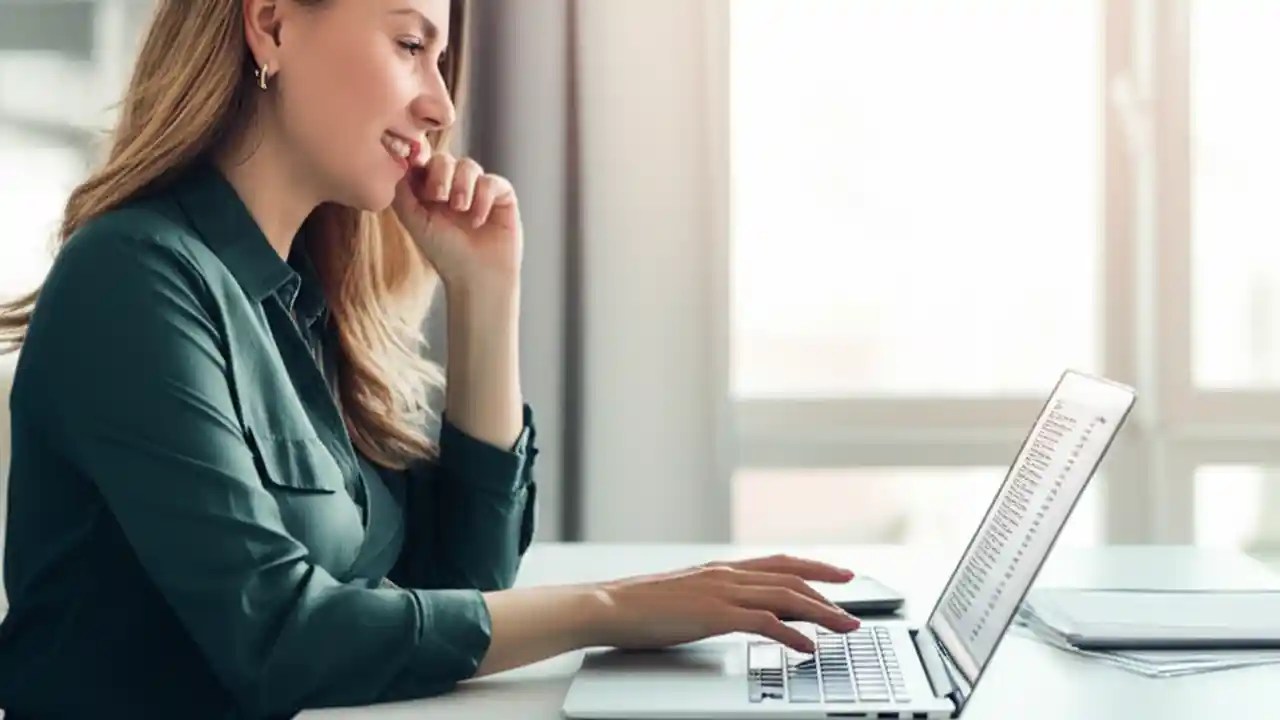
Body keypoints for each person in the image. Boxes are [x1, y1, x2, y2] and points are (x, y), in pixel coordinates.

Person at [0, 1, 861, 717]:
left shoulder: (301, 299)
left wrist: (486, 295)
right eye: (411, 46)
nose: (442, 107)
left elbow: (459, 579)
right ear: (270, 25)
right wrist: (612, 608)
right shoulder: (133, 278)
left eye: (440, 60)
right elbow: (277, 638)